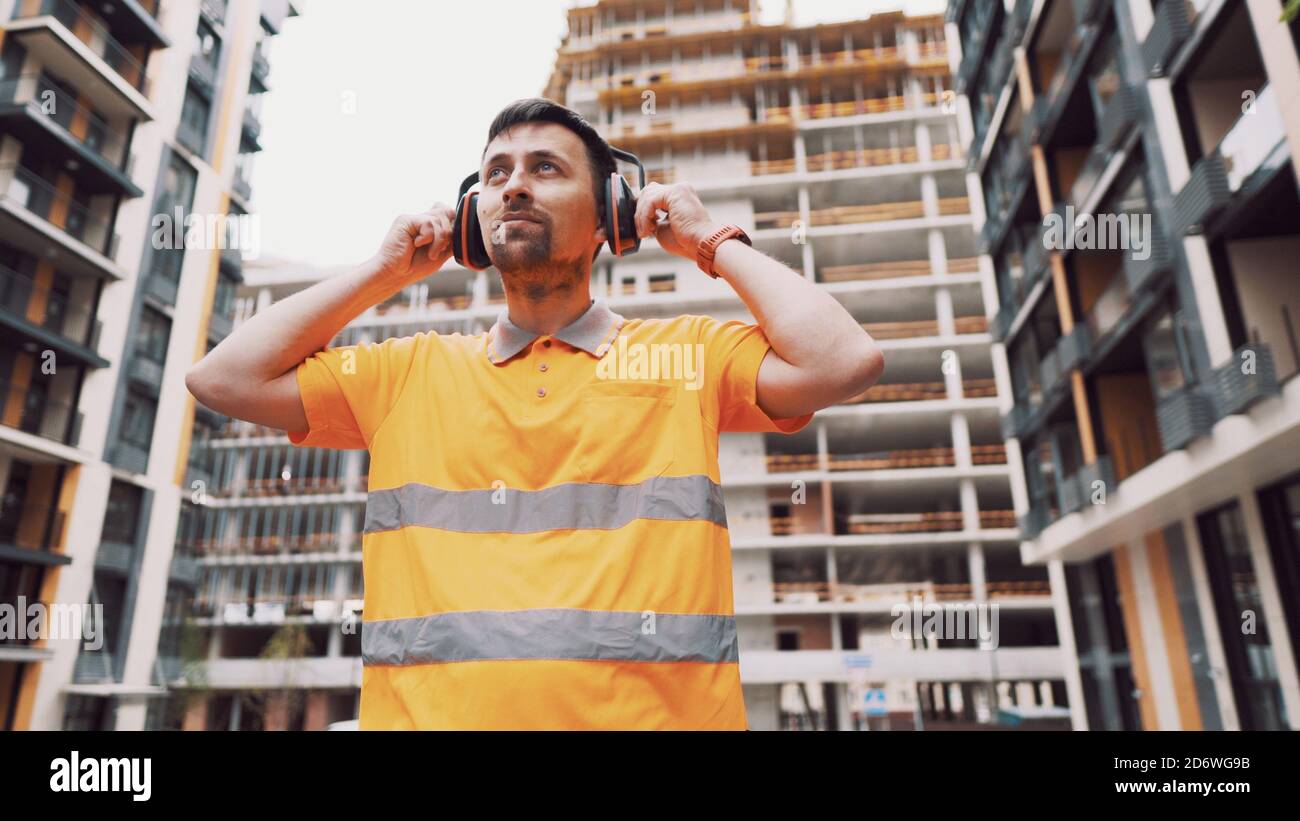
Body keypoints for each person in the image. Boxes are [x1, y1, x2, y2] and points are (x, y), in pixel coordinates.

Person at [186, 97, 884, 729]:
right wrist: (383, 271)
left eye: (545, 168)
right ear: (471, 222)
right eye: (494, 174)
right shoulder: (404, 372)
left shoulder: (686, 355)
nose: (513, 185)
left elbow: (843, 361)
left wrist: (708, 241)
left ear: (611, 212)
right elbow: (223, 378)